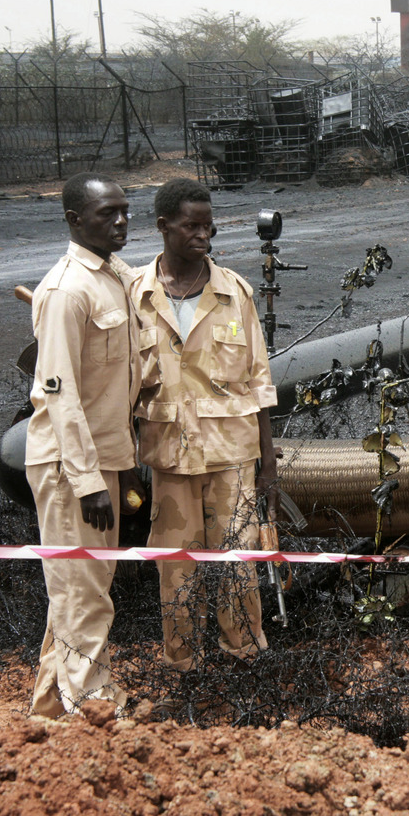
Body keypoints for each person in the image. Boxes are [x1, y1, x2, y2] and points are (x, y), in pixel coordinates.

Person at [130, 178, 279, 671]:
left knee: (238, 566)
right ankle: (184, 669)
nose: (203, 235)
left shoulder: (233, 293)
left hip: (232, 458)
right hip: (171, 459)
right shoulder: (136, 296)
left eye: (208, 226)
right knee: (177, 571)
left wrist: (269, 466)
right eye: (190, 226)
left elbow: (259, 382)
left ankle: (244, 661)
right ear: (162, 226)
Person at [26, 172, 143, 718]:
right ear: (74, 220)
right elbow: (61, 396)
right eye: (106, 214)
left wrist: (125, 465)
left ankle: (51, 704)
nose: (120, 222)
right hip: (70, 467)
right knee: (84, 589)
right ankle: (92, 703)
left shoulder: (114, 276)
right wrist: (89, 480)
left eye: (124, 211)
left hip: (105, 459)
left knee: (80, 584)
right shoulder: (67, 289)